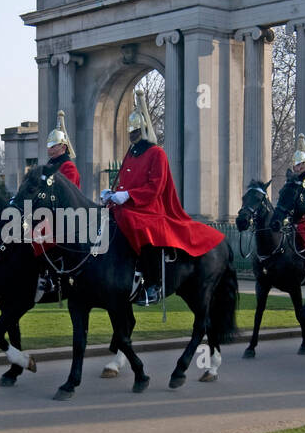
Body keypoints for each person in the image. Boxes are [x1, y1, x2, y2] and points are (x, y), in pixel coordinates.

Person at [103, 89, 223, 305]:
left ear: (145, 130)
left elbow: (155, 187)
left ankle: (152, 285)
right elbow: (123, 182)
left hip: (150, 208)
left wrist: (128, 195)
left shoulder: (157, 153)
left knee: (141, 228)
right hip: (129, 206)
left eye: (136, 132)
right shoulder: (131, 153)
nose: (132, 136)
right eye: (130, 132)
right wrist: (112, 194)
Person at [34, 110, 81, 298]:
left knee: (41, 236)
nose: (49, 149)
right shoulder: (51, 166)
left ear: (63, 147)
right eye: (49, 146)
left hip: (64, 213)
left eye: (53, 146)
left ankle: (51, 276)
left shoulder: (68, 167)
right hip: (49, 212)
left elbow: (64, 194)